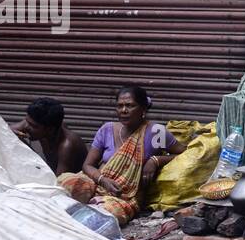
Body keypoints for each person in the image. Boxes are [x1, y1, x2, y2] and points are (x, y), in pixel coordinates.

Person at [57, 85, 184, 226]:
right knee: (67, 184)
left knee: (105, 213)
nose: (124, 110)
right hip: (98, 183)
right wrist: (102, 179)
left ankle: (74, 220)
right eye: (120, 106)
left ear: (143, 109)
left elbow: (184, 154)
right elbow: (88, 165)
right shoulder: (107, 129)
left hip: (124, 196)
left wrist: (156, 160)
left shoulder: (156, 132)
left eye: (130, 106)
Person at [10, 98, 87, 174]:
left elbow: (60, 182)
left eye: (33, 126)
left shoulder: (66, 146)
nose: (26, 127)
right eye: (27, 121)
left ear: (50, 129)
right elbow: (6, 131)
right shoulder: (39, 123)